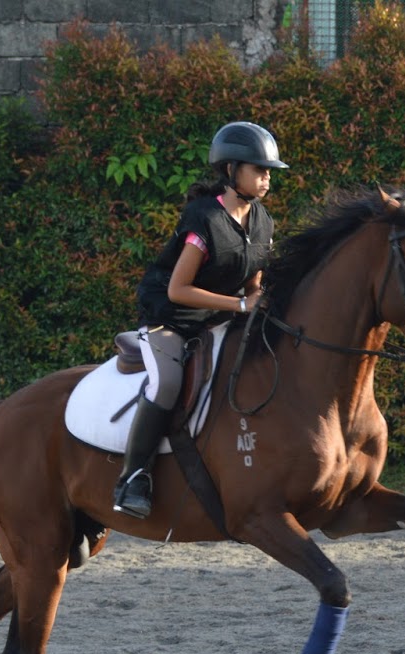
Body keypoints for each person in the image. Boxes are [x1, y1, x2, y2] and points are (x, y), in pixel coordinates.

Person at [113, 120, 289, 519]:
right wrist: (240, 306)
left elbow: (253, 284)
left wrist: (258, 301)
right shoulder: (203, 218)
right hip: (171, 316)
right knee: (167, 382)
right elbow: (179, 289)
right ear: (231, 170)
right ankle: (133, 478)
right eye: (259, 169)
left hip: (219, 314)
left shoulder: (263, 220)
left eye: (269, 172)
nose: (267, 178)